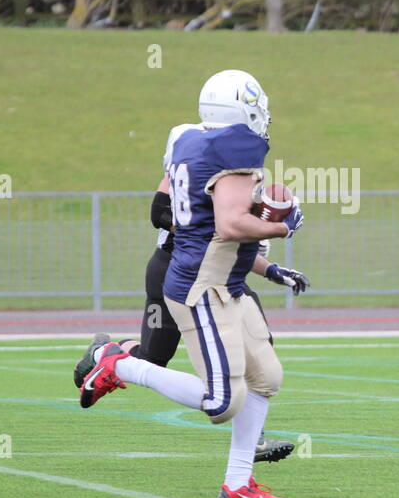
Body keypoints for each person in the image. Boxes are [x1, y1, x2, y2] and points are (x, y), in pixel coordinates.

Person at [74, 69, 303, 498]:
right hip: (201, 286)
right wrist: (283, 227)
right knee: (221, 402)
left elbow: (209, 217)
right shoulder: (234, 147)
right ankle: (116, 362)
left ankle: (237, 483)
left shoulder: (188, 139)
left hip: (226, 280)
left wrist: (266, 256)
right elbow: (230, 223)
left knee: (266, 376)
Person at [132, 116, 310, 464]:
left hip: (216, 276)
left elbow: (231, 235)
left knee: (258, 357)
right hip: (181, 271)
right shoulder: (196, 166)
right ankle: (109, 357)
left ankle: (250, 443)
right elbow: (165, 213)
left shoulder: (228, 171)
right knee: (154, 359)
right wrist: (265, 226)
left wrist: (271, 264)